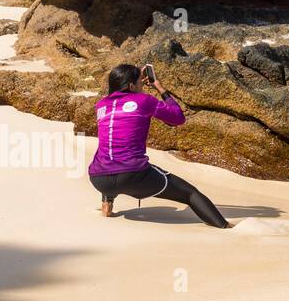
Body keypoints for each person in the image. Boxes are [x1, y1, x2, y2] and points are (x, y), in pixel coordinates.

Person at [88, 64, 229, 228]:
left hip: (98, 179)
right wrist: (159, 86)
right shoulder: (143, 100)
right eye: (140, 83)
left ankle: (107, 205)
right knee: (190, 194)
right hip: (132, 175)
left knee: (110, 154)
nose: (142, 85)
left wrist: (134, 77)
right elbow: (177, 118)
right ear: (132, 86)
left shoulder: (101, 105)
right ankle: (225, 227)